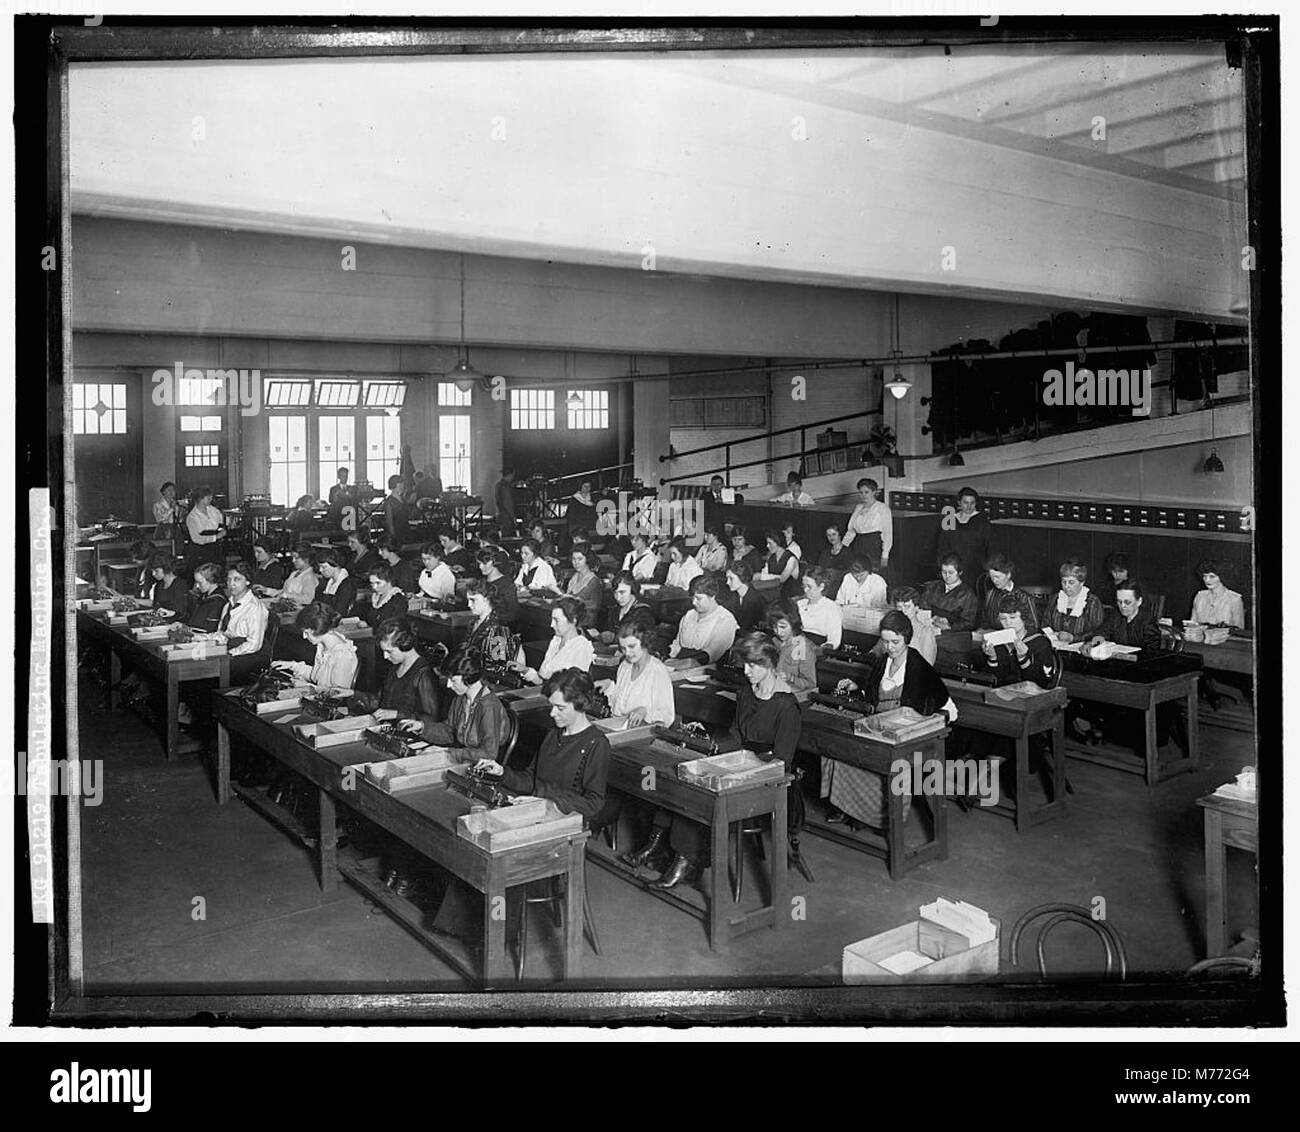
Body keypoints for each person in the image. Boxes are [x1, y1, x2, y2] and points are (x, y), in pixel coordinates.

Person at [625, 634, 801, 889]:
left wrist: (739, 763)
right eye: (745, 664)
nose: (746, 671)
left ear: (771, 664)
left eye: (754, 666)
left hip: (768, 780)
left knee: (699, 797)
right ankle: (659, 846)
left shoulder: (786, 705)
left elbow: (782, 760)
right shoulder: (746, 693)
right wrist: (708, 744)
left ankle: (686, 861)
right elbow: (736, 736)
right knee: (681, 783)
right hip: (738, 764)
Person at [821, 611, 958, 829]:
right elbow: (875, 694)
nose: (890, 647)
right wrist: (857, 687)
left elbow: (950, 708)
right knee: (840, 750)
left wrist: (925, 721)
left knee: (876, 758)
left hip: (903, 734)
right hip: (877, 725)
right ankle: (852, 810)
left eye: (895, 642)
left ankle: (877, 818)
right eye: (885, 642)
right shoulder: (883, 661)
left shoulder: (918, 667)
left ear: (907, 639)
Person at [474, 668, 610, 822]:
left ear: (581, 705)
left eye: (560, 708)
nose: (552, 713)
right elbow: (531, 780)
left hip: (564, 820)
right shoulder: (553, 734)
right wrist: (501, 772)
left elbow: (593, 803)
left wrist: (547, 805)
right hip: (537, 810)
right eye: (551, 706)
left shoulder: (596, 743)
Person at [419, 650, 511, 763]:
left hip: (481, 767)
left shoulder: (489, 706)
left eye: (453, 680)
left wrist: (447, 752)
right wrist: (422, 728)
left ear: (469, 678)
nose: (448, 685)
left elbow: (489, 754)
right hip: (463, 760)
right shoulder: (460, 698)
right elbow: (449, 732)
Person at [351, 618, 443, 728]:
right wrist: (352, 693)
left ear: (405, 645)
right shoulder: (395, 667)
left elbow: (431, 718)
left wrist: (397, 714)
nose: (385, 657)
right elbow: (380, 701)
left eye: (389, 651)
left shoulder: (424, 674)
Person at [595, 617, 676, 726]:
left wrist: (645, 712)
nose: (627, 653)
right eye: (623, 648)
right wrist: (609, 686)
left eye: (632, 646)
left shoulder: (657, 671)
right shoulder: (625, 666)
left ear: (644, 642)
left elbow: (667, 716)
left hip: (643, 734)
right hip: (620, 729)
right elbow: (620, 707)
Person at [273, 603, 359, 695]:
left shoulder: (342, 655)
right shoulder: (323, 646)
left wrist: (308, 687)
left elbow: (337, 694)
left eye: (306, 632)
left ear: (318, 630)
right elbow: (316, 676)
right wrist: (292, 665)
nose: (304, 637)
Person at [514, 596, 594, 685]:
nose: (552, 625)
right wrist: (525, 670)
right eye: (552, 619)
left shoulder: (581, 647)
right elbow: (543, 679)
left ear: (573, 620)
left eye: (556, 620)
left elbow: (570, 689)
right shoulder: (556, 641)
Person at [981, 595, 1056, 686]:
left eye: (1013, 617)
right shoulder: (997, 643)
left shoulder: (1040, 643)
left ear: (1024, 618)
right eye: (1003, 619)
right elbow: (991, 680)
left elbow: (1043, 681)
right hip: (1002, 694)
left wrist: (1023, 659)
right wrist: (992, 658)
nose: (1008, 623)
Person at [216, 561, 271, 684]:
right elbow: (222, 633)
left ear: (248, 581)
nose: (231, 584)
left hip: (250, 654)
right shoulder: (228, 605)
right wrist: (199, 638)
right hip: (232, 647)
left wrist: (229, 653)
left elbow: (254, 644)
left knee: (216, 670)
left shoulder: (254, 607)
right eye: (229, 580)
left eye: (237, 579)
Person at [669, 575, 739, 664]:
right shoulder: (689, 615)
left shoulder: (725, 620)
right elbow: (677, 645)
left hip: (706, 669)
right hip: (681, 664)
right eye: (692, 597)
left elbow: (710, 655)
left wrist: (681, 658)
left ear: (712, 596)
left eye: (698, 598)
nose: (693, 602)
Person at [1043, 558, 1106, 644]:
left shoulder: (1092, 602)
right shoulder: (1055, 599)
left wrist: (1074, 638)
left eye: (1071, 582)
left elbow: (1098, 632)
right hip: (1056, 649)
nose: (1066, 586)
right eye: (1064, 582)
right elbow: (1045, 624)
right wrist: (1051, 635)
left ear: (1082, 582)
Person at [1088, 580, 1161, 651]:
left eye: (1127, 602)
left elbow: (1152, 649)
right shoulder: (1115, 616)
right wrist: (1094, 642)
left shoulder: (1147, 621)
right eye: (1119, 601)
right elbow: (1101, 633)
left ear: (1139, 601)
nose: (1122, 606)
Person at [936, 486, 991, 582]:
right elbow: (943, 545)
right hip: (952, 568)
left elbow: (989, 546)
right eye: (965, 503)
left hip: (974, 569)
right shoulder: (950, 519)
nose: (969, 506)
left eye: (972, 503)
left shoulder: (982, 520)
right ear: (959, 503)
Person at [461, 580, 517, 667]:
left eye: (473, 600)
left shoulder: (499, 628)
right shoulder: (473, 623)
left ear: (486, 599)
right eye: (468, 600)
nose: (469, 604)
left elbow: (499, 664)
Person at [843, 477, 893, 570]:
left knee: (872, 572)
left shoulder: (882, 508)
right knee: (857, 571)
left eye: (866, 492)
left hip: (874, 545)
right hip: (858, 545)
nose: (863, 495)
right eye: (861, 492)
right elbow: (851, 530)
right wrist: (842, 548)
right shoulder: (858, 507)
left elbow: (887, 534)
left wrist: (885, 555)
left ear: (874, 492)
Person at [922, 553, 980, 632]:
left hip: (953, 634)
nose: (947, 575)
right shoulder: (932, 587)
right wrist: (932, 617)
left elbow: (969, 622)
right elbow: (922, 608)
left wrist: (950, 625)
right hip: (929, 629)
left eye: (951, 572)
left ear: (960, 572)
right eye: (944, 572)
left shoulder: (967, 594)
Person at [982, 553, 1040, 631]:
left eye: (998, 577)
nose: (995, 581)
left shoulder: (1024, 597)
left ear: (1008, 574)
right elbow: (985, 621)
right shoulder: (990, 594)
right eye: (992, 577)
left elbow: (1034, 626)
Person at [769, 600, 818, 693]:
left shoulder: (803, 647)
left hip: (793, 696)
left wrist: (790, 677)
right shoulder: (774, 642)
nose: (779, 632)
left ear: (793, 623)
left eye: (783, 627)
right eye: (774, 627)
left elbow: (810, 684)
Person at [595, 572, 653, 642]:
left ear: (632, 589)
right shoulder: (614, 610)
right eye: (615, 593)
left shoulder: (643, 613)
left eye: (622, 592)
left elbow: (642, 640)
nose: (618, 598)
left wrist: (614, 638)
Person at [889, 586, 937, 665]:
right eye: (899, 607)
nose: (903, 611)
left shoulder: (925, 632)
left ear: (917, 608)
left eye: (907, 607)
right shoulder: (891, 629)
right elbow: (877, 652)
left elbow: (928, 666)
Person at [797, 566, 843, 648]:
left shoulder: (832, 608)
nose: (805, 590)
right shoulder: (799, 604)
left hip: (817, 649)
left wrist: (820, 650)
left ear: (821, 587)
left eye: (809, 586)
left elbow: (834, 640)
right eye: (804, 586)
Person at [1191, 559, 1245, 628]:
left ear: (1222, 577)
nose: (1207, 580)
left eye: (1212, 576)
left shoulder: (1235, 599)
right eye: (1204, 576)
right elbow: (1192, 626)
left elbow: (1239, 631)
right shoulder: (1199, 596)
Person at [185, 486, 227, 564]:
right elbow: (196, 539)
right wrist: (216, 537)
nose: (211, 500)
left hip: (216, 548)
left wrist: (222, 530)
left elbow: (221, 524)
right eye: (208, 498)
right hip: (200, 550)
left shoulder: (214, 510)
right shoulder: (192, 517)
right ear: (200, 499)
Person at [756, 529, 801, 600]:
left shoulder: (791, 559)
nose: (767, 546)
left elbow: (783, 579)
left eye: (770, 543)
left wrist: (762, 576)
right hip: (774, 589)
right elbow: (765, 572)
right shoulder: (771, 558)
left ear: (778, 543)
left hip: (789, 593)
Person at [724, 561, 769, 632]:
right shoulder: (735, 595)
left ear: (742, 577)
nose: (727, 582)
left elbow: (747, 626)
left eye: (731, 578)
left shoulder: (754, 599)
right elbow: (725, 609)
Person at [362, 563, 409, 629]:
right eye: (372, 583)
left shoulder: (398, 601)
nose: (374, 587)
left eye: (378, 583)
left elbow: (394, 629)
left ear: (389, 581)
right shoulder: (377, 597)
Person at [565, 544, 603, 625]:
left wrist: (575, 599)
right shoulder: (574, 576)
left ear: (587, 560)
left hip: (586, 622)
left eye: (580, 559)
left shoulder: (594, 581)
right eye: (574, 559)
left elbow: (595, 606)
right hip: (572, 617)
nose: (576, 563)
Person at [186, 562, 228, 632]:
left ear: (211, 580)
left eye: (200, 583)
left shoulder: (218, 601)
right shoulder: (203, 597)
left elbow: (210, 629)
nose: (197, 586)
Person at [317, 548, 358, 618]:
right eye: (320, 567)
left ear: (335, 565)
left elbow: (339, 612)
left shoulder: (347, 585)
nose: (320, 570)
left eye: (323, 567)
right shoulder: (325, 582)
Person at [148, 553, 189, 618]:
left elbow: (182, 613)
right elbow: (155, 607)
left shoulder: (180, 585)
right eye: (152, 571)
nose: (153, 574)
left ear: (166, 568)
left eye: (156, 571)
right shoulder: (159, 585)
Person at [381, 475, 410, 544]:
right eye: (400, 484)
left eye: (402, 484)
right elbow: (389, 522)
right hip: (396, 534)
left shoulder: (403, 499)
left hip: (406, 532)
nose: (402, 486)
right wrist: (393, 537)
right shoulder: (389, 502)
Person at [494, 467, 518, 536]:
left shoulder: (498, 485)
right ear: (510, 475)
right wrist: (513, 517)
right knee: (509, 537)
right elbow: (508, 503)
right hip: (507, 517)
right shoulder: (506, 487)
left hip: (500, 514)